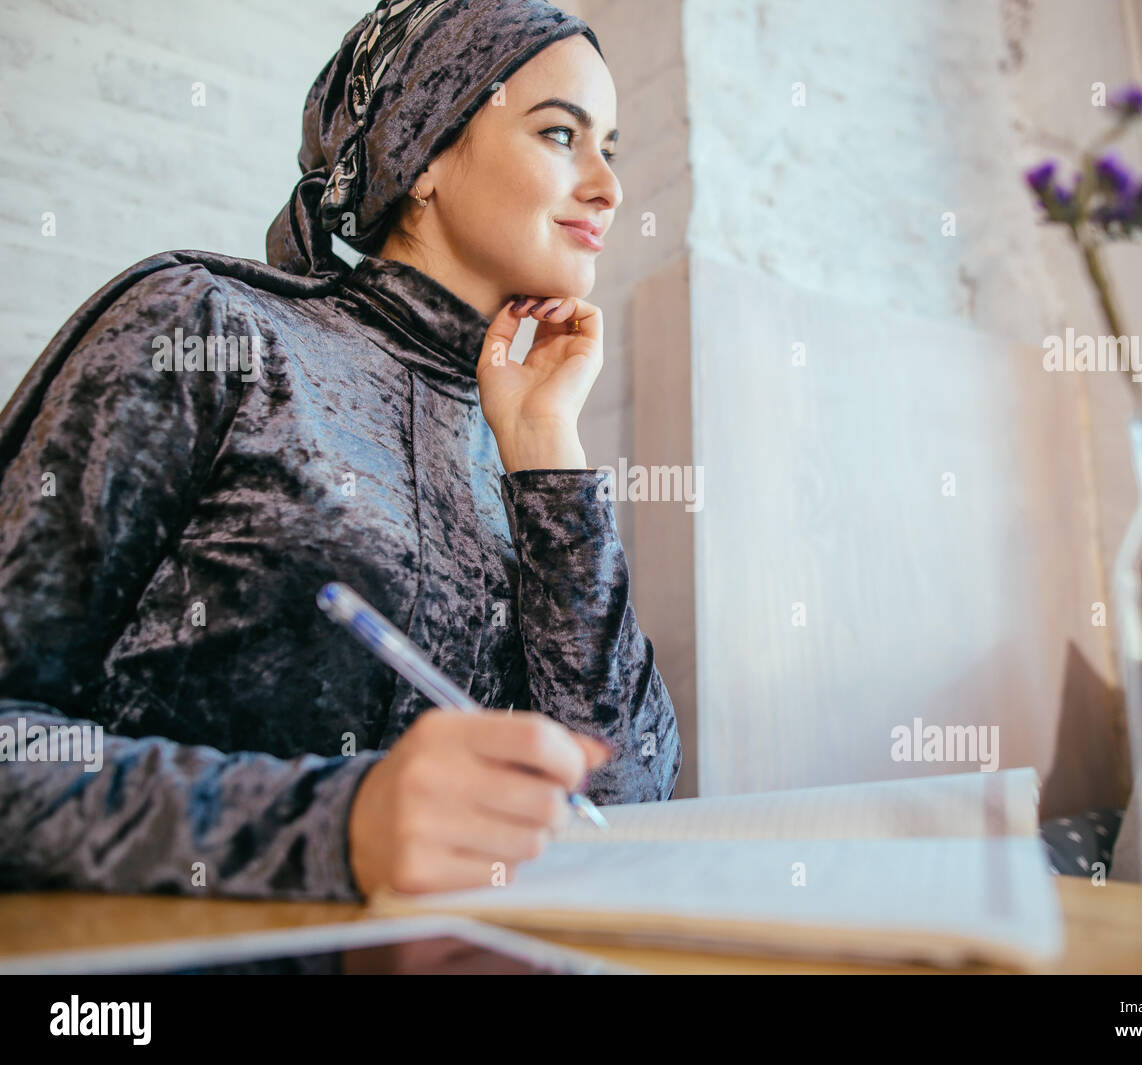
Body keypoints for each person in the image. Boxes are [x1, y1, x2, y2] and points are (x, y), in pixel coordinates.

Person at [0, 0, 681, 903]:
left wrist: (549, 457)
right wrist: (333, 824)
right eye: (562, 135)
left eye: (614, 148)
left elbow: (626, 805)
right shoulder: (207, 329)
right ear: (426, 153)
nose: (609, 188)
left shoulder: (521, 441)